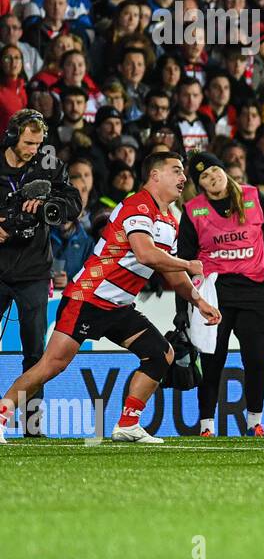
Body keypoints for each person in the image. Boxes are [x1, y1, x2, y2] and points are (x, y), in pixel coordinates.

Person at [0, 150, 221, 444]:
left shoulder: (170, 220)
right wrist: (187, 264)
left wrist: (198, 300)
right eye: (177, 170)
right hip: (88, 297)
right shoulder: (137, 206)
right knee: (51, 365)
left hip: (119, 305)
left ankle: (127, 424)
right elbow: (146, 253)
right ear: (155, 175)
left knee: (161, 354)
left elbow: (171, 273)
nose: (183, 178)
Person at [178, 152, 264, 437]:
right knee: (212, 360)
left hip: (255, 290)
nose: (212, 177)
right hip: (215, 292)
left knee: (255, 360)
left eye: (215, 170)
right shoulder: (193, 210)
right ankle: (206, 425)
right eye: (204, 176)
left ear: (224, 170)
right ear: (200, 184)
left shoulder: (253, 196)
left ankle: (254, 422)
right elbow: (183, 261)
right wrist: (184, 308)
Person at [0, 110, 82, 436]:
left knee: (35, 353)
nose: (34, 149)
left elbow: (73, 202)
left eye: (38, 142)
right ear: (11, 137)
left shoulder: (47, 163)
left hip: (34, 271)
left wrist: (49, 198)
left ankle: (33, 426)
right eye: (27, 143)